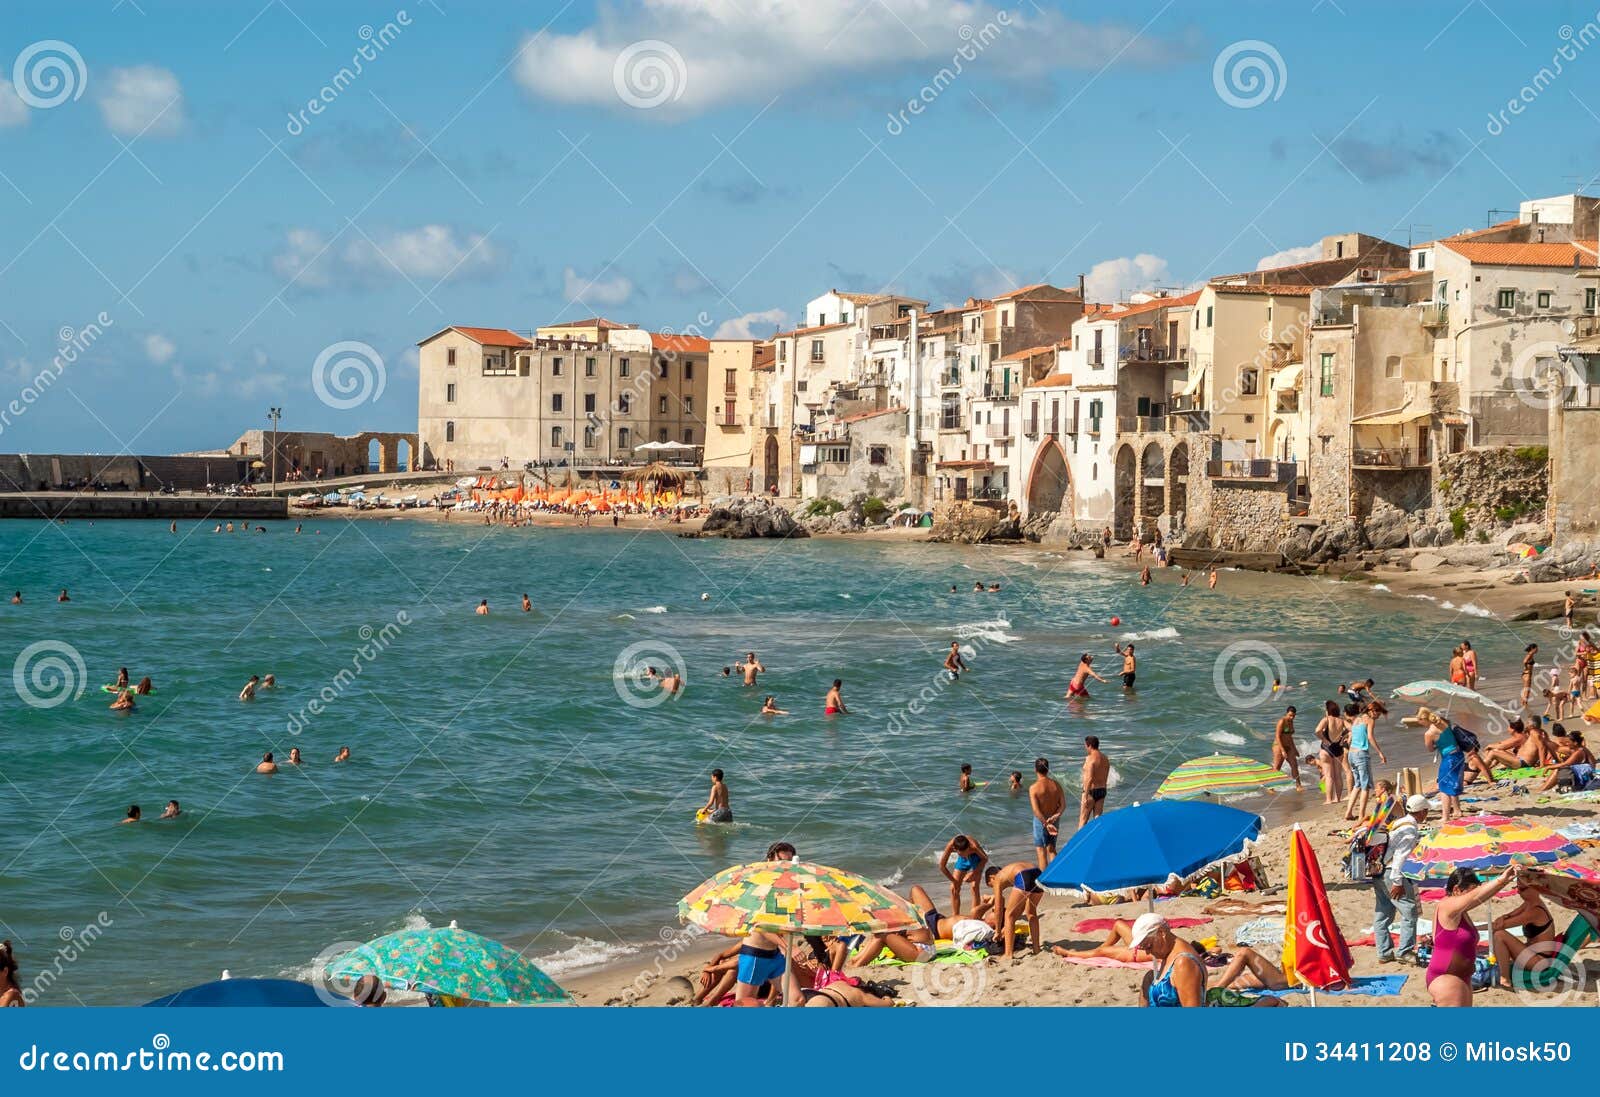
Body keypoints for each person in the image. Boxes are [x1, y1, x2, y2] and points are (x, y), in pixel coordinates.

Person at [1427, 866, 1516, 1006]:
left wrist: (1504, 882)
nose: (1473, 895)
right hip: (1447, 977)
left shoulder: (1461, 912)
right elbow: (1477, 896)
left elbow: (1479, 897)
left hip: (1462, 977)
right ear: (1456, 889)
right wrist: (1502, 879)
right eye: (1471, 890)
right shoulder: (1447, 905)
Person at [1374, 793, 1430, 965]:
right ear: (1421, 812)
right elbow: (1400, 857)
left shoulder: (1399, 822)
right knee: (1409, 912)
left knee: (1383, 912)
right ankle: (1404, 951)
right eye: (1426, 811)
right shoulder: (1410, 829)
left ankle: (1384, 951)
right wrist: (1398, 882)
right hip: (1393, 872)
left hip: (1379, 870)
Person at [1490, 876, 1561, 989]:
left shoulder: (1535, 911)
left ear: (1535, 889)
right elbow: (1508, 916)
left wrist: (1474, 928)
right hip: (1532, 954)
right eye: (1517, 888)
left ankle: (1505, 979)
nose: (1519, 892)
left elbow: (1499, 926)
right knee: (1498, 934)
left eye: (1522, 889)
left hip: (1539, 961)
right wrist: (1504, 917)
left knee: (1499, 935)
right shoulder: (1529, 904)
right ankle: (1504, 974)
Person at [983, 862, 1044, 959]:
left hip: (1023, 874)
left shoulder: (998, 878)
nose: (994, 888)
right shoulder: (1009, 873)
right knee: (1031, 912)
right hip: (1038, 873)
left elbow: (998, 908)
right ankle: (1036, 949)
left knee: (1008, 915)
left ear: (992, 878)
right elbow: (1020, 907)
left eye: (991, 886)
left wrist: (998, 931)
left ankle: (1008, 954)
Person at [1343, 700, 1389, 821]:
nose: (1377, 717)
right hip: (1361, 755)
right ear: (1373, 711)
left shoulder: (1357, 719)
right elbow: (1370, 737)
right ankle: (1361, 815)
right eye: (1378, 714)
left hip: (1351, 755)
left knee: (1357, 785)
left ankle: (1348, 812)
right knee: (1365, 786)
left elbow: (1349, 739)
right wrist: (1380, 753)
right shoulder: (1370, 720)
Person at [1028, 758, 1064, 869]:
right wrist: (1056, 815)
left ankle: (1044, 883)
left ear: (1035, 770)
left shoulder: (1034, 788)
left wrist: (1045, 823)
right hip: (1054, 820)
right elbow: (1063, 805)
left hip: (1041, 821)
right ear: (1048, 769)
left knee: (1041, 851)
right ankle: (1056, 876)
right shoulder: (1056, 785)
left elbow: (1036, 810)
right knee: (1052, 849)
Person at [939, 834, 988, 914]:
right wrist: (954, 881)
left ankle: (974, 915)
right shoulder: (950, 846)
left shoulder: (974, 846)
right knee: (954, 888)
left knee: (974, 886)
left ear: (969, 847)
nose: (965, 854)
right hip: (962, 861)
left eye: (966, 852)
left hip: (976, 858)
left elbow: (985, 858)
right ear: (955, 849)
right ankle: (955, 915)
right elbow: (942, 866)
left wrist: (974, 872)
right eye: (962, 853)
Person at [1314, 699, 1347, 804]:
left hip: (1326, 749)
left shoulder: (1326, 719)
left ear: (1328, 710)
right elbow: (1351, 728)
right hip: (1338, 749)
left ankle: (1329, 799)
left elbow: (1317, 731)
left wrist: (1324, 739)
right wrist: (1343, 739)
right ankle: (1338, 798)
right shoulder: (1341, 720)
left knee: (1328, 776)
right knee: (1338, 775)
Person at [1079, 736, 1110, 826]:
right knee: (1097, 821)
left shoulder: (1090, 758)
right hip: (1102, 790)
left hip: (1090, 792)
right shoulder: (1105, 758)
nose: (1085, 748)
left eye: (1085, 746)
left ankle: (1081, 840)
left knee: (1083, 821)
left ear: (1090, 746)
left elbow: (1089, 778)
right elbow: (1106, 775)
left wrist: (1085, 796)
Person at [1272, 705, 1302, 790]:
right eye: (1290, 715)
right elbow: (1277, 736)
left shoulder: (1291, 722)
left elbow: (1289, 737)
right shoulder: (1282, 721)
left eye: (1293, 716)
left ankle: (1298, 785)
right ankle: (1271, 787)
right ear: (1286, 714)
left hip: (1289, 746)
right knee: (1277, 767)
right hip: (1278, 746)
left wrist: (1295, 749)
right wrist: (1282, 750)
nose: (1292, 717)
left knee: (1294, 765)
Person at [1522, 643, 1540, 708]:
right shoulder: (1530, 654)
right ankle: (1525, 705)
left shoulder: (1531, 654)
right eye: (1537, 648)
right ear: (1533, 649)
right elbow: (1524, 661)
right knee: (1527, 690)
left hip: (1525, 674)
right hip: (1527, 675)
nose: (1538, 650)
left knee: (1525, 689)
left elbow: (1528, 661)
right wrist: (1526, 667)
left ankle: (1523, 703)